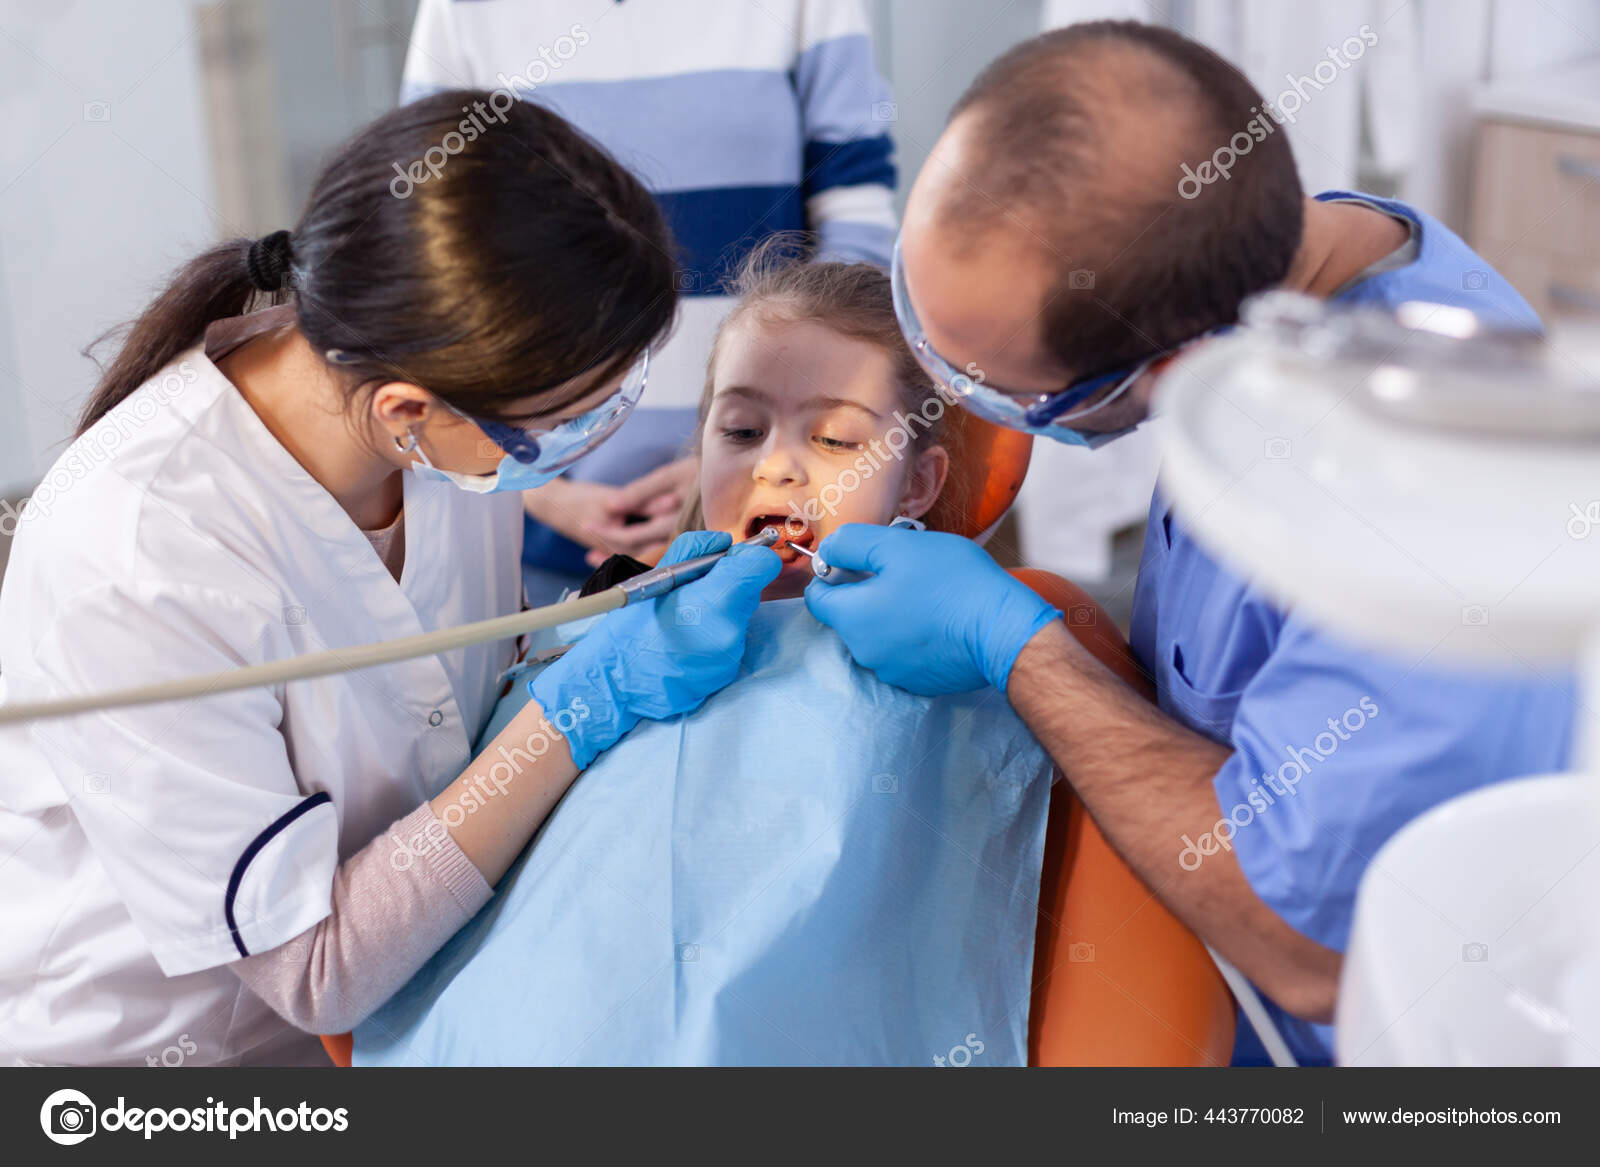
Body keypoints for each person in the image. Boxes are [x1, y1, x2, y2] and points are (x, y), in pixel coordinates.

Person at [799, 22, 1575, 1064]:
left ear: (1170, 372)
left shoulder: (1411, 520)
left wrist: (1018, 651)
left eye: (986, 384)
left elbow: (1306, 948)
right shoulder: (1279, 261)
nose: (940, 395)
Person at [0, 91, 780, 1066]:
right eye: (573, 420)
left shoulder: (432, 432)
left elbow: (437, 694)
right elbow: (315, 971)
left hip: (414, 1007)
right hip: (170, 1062)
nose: (594, 441)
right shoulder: (139, 549)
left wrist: (581, 637)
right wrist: (575, 710)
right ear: (407, 409)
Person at [354, 252, 1068, 1066]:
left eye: (835, 437)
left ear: (916, 484)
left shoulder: (957, 655)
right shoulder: (600, 631)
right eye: (740, 430)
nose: (776, 463)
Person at [400, 0, 899, 601]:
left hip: (776, 522)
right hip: (539, 532)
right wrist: (537, 486)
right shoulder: (460, 12)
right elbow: (428, 260)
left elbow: (857, 228)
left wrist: (736, 462)